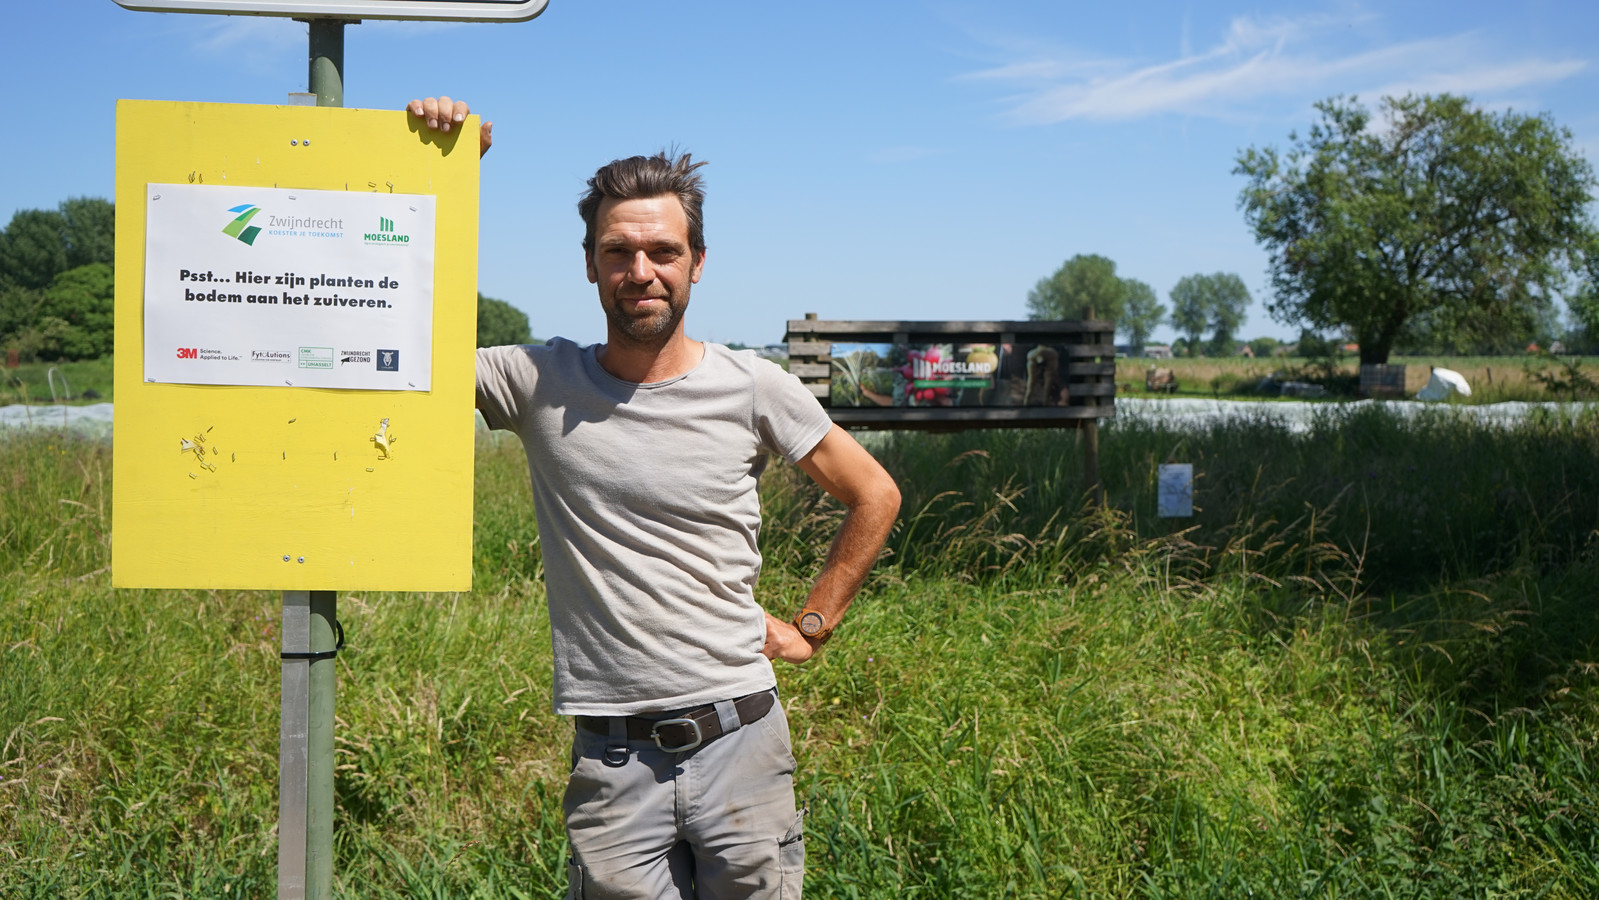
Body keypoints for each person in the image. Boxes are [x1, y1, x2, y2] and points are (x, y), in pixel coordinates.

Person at [409, 97, 901, 899]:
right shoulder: (536, 381)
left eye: (663, 251)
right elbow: (406, 343)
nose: (641, 271)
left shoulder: (752, 386)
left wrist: (814, 624)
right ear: (590, 264)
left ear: (697, 261)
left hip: (741, 739)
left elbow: (873, 492)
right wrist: (449, 174)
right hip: (611, 759)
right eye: (618, 251)